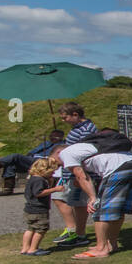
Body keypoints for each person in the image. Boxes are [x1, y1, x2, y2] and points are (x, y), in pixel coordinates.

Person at [66, 129, 132, 260]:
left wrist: (92, 198)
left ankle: (101, 248)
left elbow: (81, 177)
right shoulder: (85, 149)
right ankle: (112, 244)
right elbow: (87, 178)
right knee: (118, 210)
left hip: (118, 168)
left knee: (100, 210)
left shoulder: (66, 154)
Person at [50, 103, 100, 248]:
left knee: (78, 204)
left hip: (77, 172)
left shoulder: (87, 130)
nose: (63, 121)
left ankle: (78, 234)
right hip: (69, 172)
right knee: (59, 198)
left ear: (75, 115)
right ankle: (73, 230)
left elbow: (85, 151)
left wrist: (80, 176)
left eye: (65, 117)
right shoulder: (77, 129)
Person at [0, 128, 64, 196]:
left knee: (14, 157)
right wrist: (27, 156)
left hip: (44, 162)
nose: (52, 137)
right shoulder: (45, 143)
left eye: (55, 135)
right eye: (51, 135)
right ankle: (7, 189)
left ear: (61, 137)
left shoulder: (62, 145)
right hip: (32, 160)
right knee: (11, 163)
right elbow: (31, 152)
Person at [19, 156, 63, 256]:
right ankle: (33, 249)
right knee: (41, 229)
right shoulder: (39, 180)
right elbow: (38, 193)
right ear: (45, 170)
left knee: (30, 228)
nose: (53, 174)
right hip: (39, 210)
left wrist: (50, 183)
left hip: (30, 209)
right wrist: (55, 189)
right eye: (52, 172)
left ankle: (25, 248)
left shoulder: (33, 178)